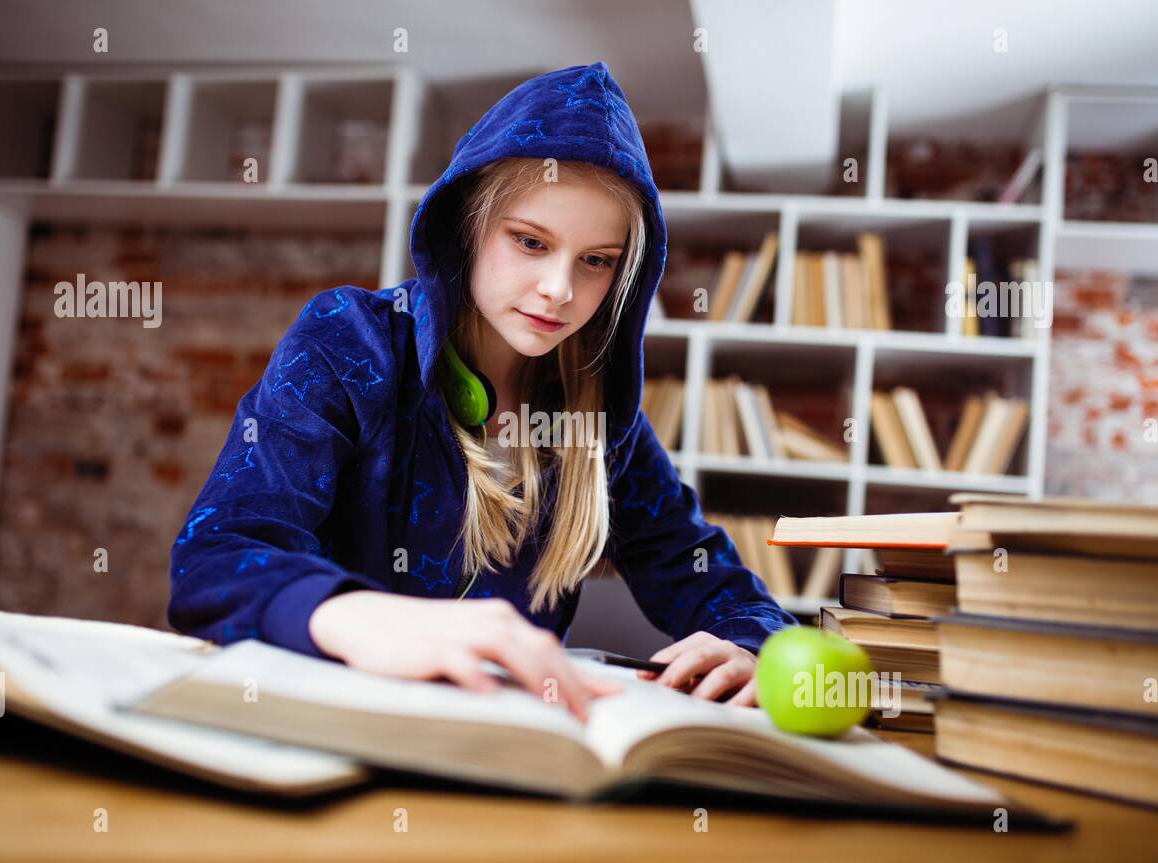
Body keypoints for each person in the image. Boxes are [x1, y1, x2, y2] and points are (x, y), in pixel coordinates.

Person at [167, 61, 798, 724]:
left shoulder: (600, 420)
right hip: (319, 732)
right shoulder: (349, 340)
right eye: (530, 242)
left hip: (504, 760)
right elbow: (217, 558)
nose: (560, 288)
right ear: (466, 228)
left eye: (596, 261)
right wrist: (356, 618)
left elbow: (714, 579)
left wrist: (752, 643)